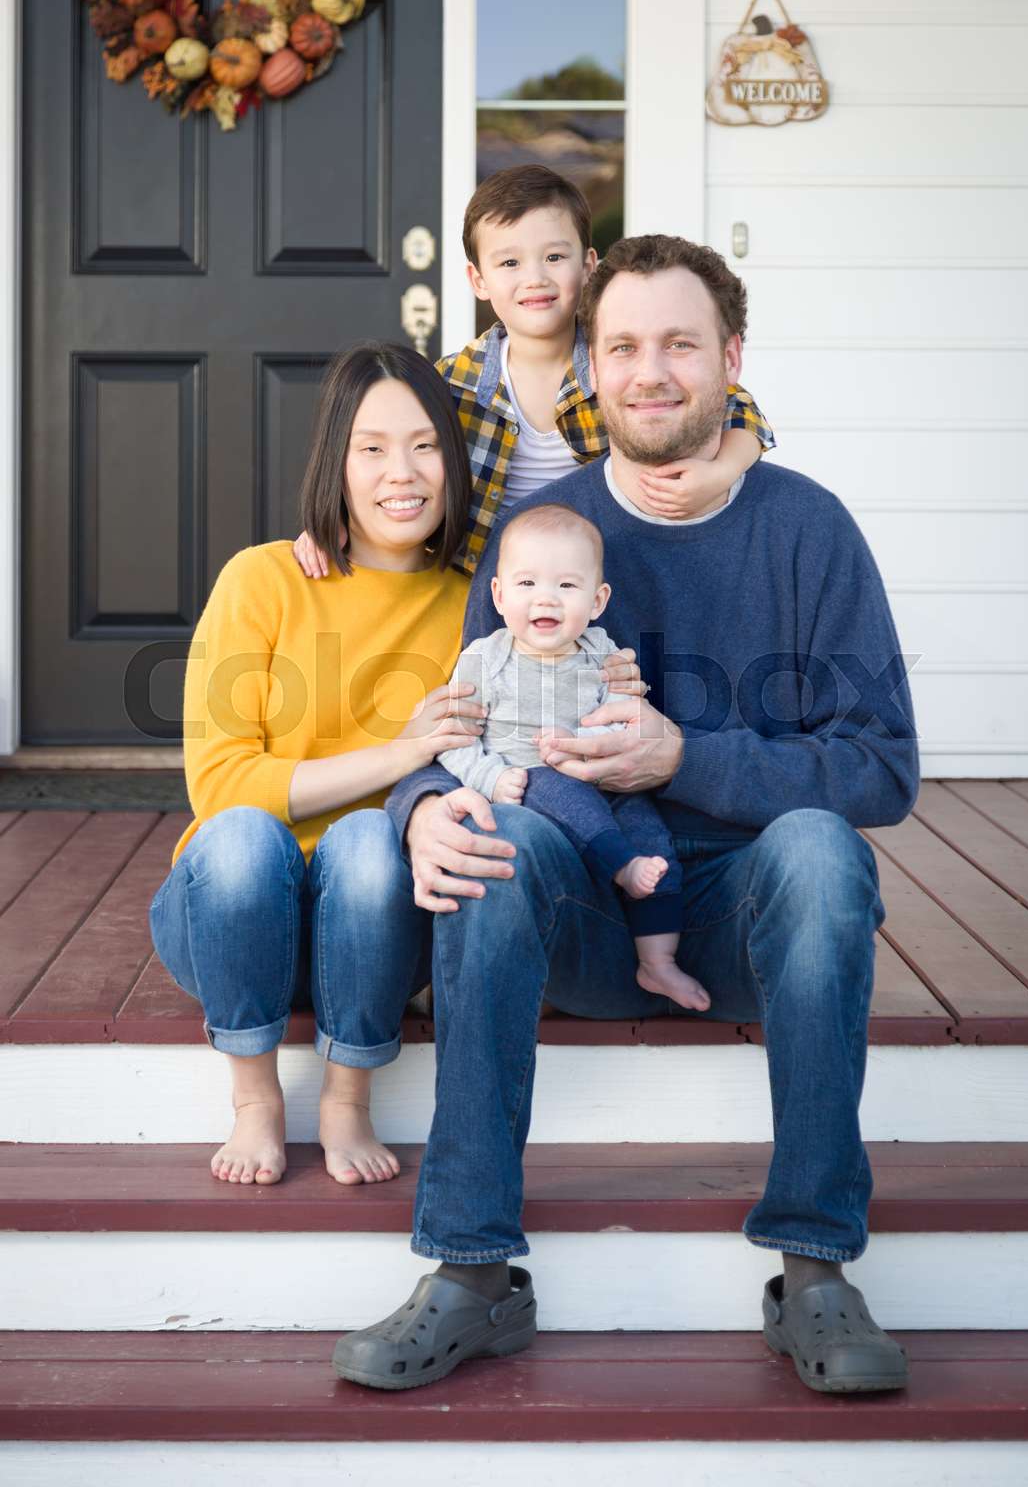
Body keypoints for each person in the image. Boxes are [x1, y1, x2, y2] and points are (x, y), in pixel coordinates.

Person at [331, 237, 920, 1398]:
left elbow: (882, 769)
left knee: (817, 846)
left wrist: (682, 756)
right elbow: (463, 722)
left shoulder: (809, 528)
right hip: (584, 922)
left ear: (730, 359)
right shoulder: (539, 534)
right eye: (624, 347)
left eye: (679, 344)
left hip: (751, 922)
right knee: (489, 835)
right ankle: (471, 1272)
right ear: (591, 372)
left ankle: (813, 1270)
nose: (650, 371)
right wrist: (414, 812)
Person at [149, 343, 480, 1189]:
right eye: (370, 448)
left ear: (454, 456)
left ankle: (346, 1098)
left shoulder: (474, 607)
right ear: (335, 462)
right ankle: (256, 1099)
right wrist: (402, 749)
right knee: (243, 839)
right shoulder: (262, 579)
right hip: (232, 920)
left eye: (423, 444)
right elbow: (220, 785)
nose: (400, 473)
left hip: (375, 928)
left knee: (372, 841)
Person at [293, 163, 775, 580]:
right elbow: (388, 454)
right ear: (478, 280)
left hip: (603, 578)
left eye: (554, 257)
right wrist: (335, 522)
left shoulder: (619, 366)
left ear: (589, 265)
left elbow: (741, 411)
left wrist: (721, 472)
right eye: (509, 262)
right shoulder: (452, 381)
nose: (535, 278)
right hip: (489, 581)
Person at [437, 501, 708, 1012]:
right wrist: (493, 779)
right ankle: (622, 867)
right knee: (559, 788)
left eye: (566, 586)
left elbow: (622, 709)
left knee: (653, 833)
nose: (547, 599)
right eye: (527, 584)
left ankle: (658, 960)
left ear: (597, 599)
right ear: (497, 594)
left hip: (603, 781)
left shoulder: (601, 650)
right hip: (530, 785)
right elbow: (455, 738)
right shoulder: (485, 659)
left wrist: (626, 719)